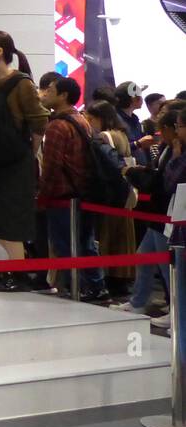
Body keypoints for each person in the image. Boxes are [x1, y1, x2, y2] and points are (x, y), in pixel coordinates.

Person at [0, 31, 48, 293]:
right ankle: (11, 270)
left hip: (15, 164)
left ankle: (19, 273)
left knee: (12, 221)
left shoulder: (22, 84)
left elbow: (38, 123)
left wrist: (28, 153)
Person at [37, 75, 104, 300]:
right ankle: (94, 285)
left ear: (63, 95)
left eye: (50, 89)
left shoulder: (57, 126)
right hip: (82, 193)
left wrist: (42, 196)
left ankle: (79, 288)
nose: (44, 93)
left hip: (62, 196)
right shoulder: (81, 120)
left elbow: (52, 166)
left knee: (66, 245)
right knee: (85, 242)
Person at [117, 102, 184, 322]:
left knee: (167, 265)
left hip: (169, 215)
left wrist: (174, 158)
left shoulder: (177, 151)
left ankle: (175, 310)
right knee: (145, 257)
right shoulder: (167, 148)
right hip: (160, 214)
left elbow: (168, 182)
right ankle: (139, 301)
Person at [85, 99, 137, 300]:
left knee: (107, 236)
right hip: (126, 192)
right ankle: (121, 279)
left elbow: (108, 166)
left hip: (110, 194)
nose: (88, 122)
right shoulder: (122, 134)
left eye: (90, 118)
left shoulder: (104, 137)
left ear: (100, 118)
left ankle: (107, 278)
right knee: (124, 237)